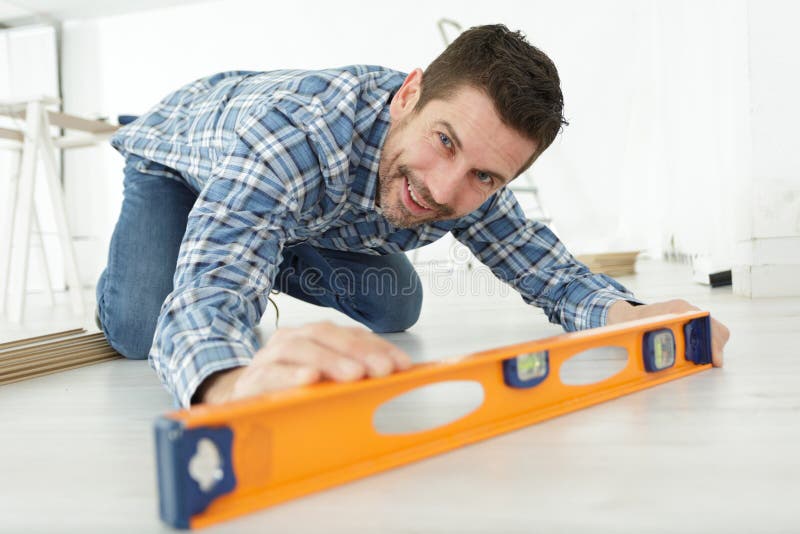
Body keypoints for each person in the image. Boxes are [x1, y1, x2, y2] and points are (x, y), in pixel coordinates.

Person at [96, 24, 730, 408]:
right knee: (138, 328)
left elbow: (548, 272)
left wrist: (634, 316)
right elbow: (211, 289)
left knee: (395, 304)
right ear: (409, 94)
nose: (444, 189)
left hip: (290, 202)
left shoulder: (467, 172)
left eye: (485, 176)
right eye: (445, 142)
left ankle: (269, 242)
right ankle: (243, 242)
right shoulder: (294, 135)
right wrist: (230, 385)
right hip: (180, 163)